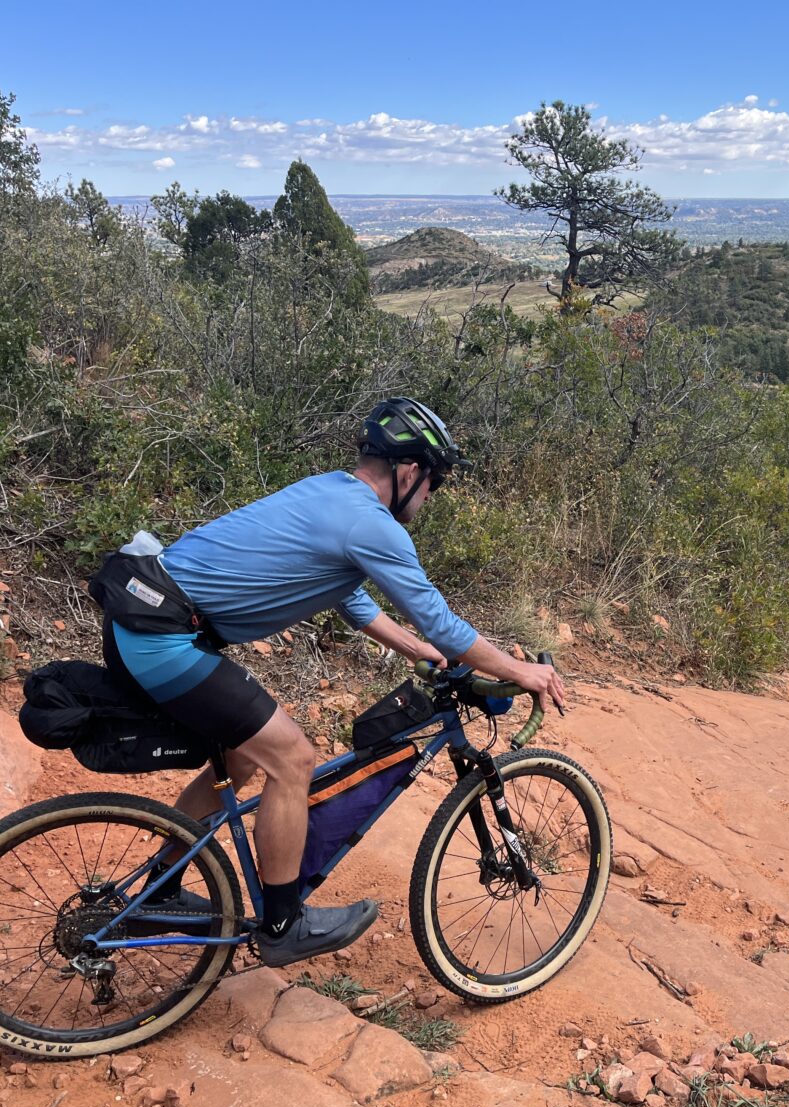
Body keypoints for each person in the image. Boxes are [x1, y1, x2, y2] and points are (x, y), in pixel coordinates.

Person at [95, 396, 567, 966]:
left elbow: (351, 595)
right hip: (164, 639)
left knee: (243, 758)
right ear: (411, 471)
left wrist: (421, 652)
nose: (427, 500)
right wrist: (520, 671)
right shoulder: (372, 524)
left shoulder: (330, 491)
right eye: (433, 486)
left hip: (140, 616)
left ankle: (159, 887)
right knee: (292, 759)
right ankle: (283, 924)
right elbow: (440, 619)